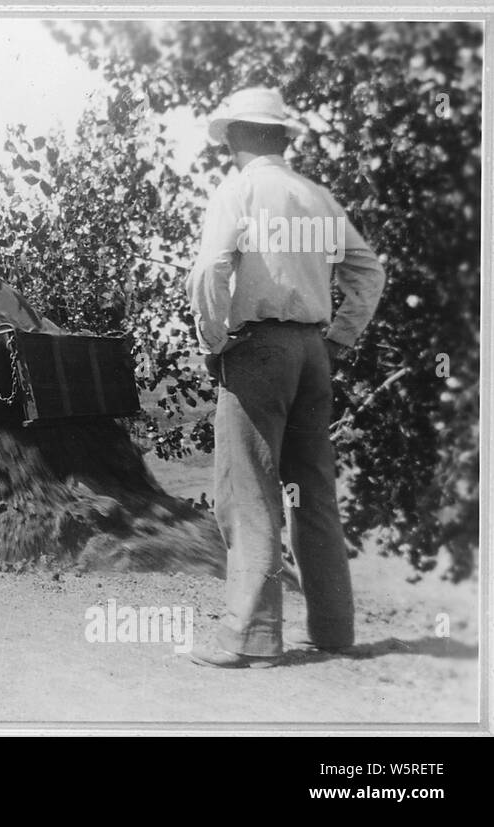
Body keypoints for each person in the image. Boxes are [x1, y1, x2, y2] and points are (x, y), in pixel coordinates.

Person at [185, 87, 386, 668]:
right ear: (280, 136)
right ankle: (332, 628)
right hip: (313, 353)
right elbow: (367, 273)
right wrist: (340, 338)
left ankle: (252, 638)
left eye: (228, 140)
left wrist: (213, 341)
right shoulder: (317, 196)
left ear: (239, 137)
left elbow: (210, 269)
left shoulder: (240, 189)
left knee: (247, 492)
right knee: (314, 492)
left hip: (259, 351)